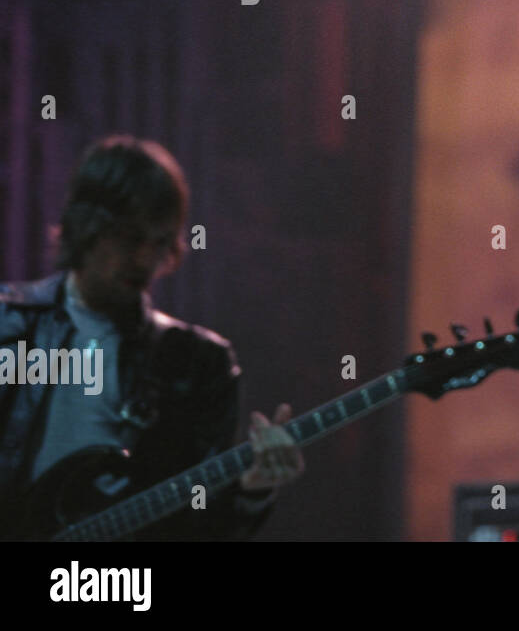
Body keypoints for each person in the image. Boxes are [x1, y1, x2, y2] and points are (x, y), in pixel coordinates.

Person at [0, 135, 304, 539]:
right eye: (130, 238)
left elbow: (205, 528)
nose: (145, 259)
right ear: (87, 226)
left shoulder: (197, 362)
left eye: (160, 243)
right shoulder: (9, 322)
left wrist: (254, 492)